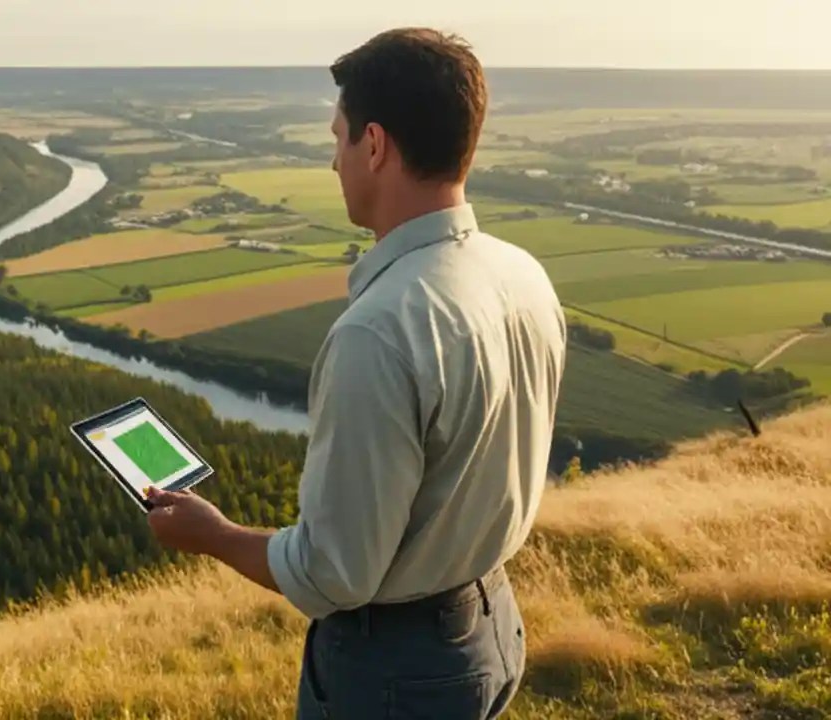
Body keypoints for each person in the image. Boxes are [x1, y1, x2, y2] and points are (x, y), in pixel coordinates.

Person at [145, 27, 567, 720]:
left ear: (373, 145)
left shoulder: (381, 329)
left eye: (337, 138)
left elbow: (332, 573)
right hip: (491, 623)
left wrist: (210, 535)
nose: (333, 161)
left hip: (396, 671)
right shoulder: (521, 273)